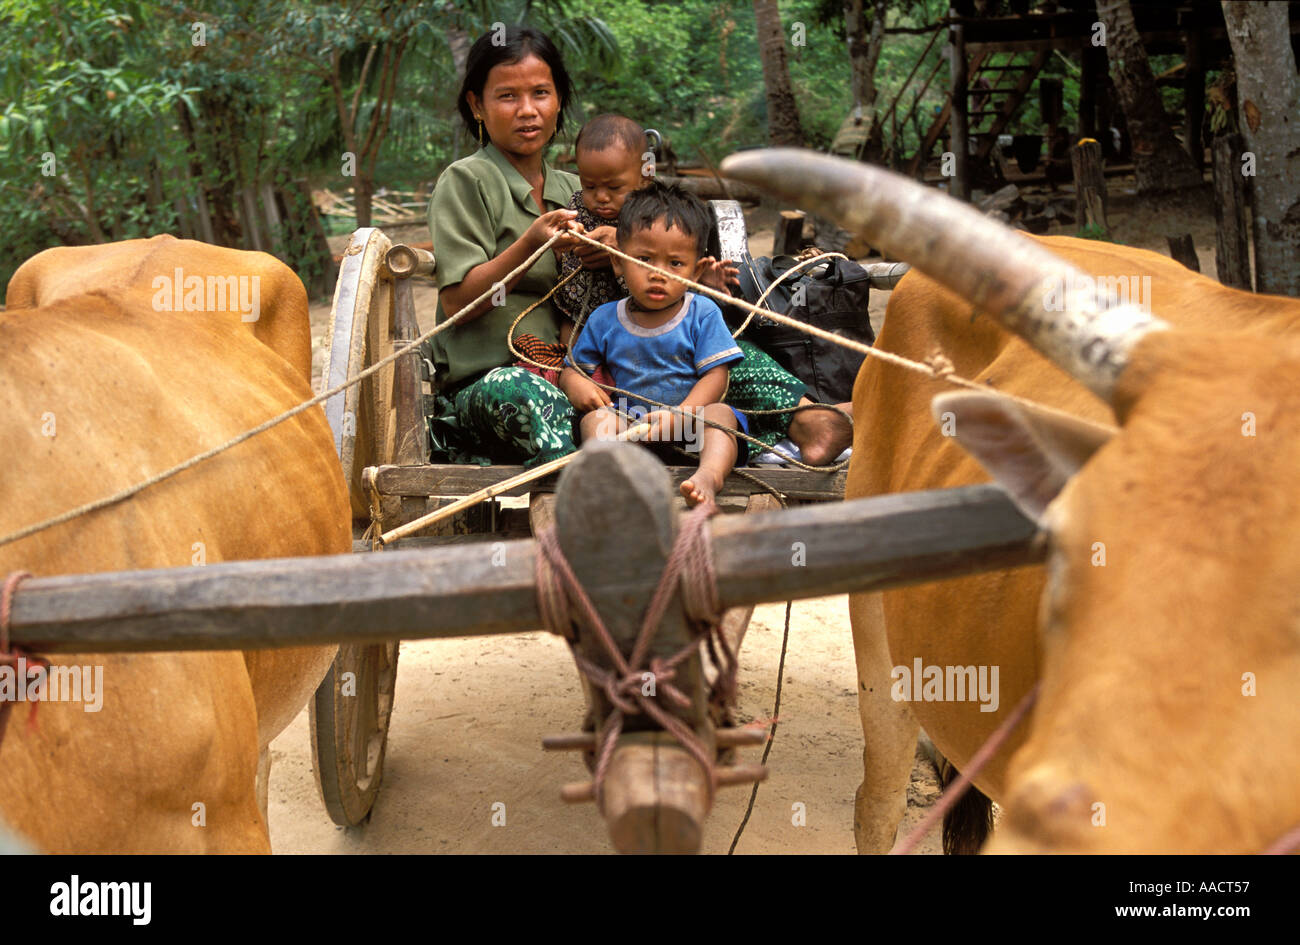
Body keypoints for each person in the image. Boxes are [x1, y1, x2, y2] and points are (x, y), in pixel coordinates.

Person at [555, 113, 854, 466]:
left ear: (644, 173)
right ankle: (613, 470)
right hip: (614, 360)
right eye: (590, 187)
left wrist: (702, 285)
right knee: (600, 418)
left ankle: (800, 426)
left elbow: (678, 286)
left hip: (679, 352)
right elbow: (572, 316)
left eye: (615, 188)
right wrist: (574, 376)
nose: (601, 198)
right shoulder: (575, 216)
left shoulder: (668, 214)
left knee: (731, 373)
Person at [425, 26, 584, 466]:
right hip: (487, 388)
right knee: (523, 392)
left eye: (540, 93)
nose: (527, 111)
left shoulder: (580, 190)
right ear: (478, 104)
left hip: (575, 375)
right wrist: (530, 245)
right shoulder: (467, 180)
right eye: (507, 96)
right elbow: (458, 302)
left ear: (558, 100)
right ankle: (588, 508)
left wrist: (610, 246)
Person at [560, 182, 743, 507]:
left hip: (691, 428)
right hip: (631, 429)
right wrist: (576, 384)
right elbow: (573, 368)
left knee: (722, 415)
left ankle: (708, 477)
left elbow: (717, 375)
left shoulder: (702, 312)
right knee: (597, 422)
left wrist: (682, 415)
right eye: (644, 259)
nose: (658, 274)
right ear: (618, 262)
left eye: (675, 263)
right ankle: (613, 480)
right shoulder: (604, 319)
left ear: (697, 270)